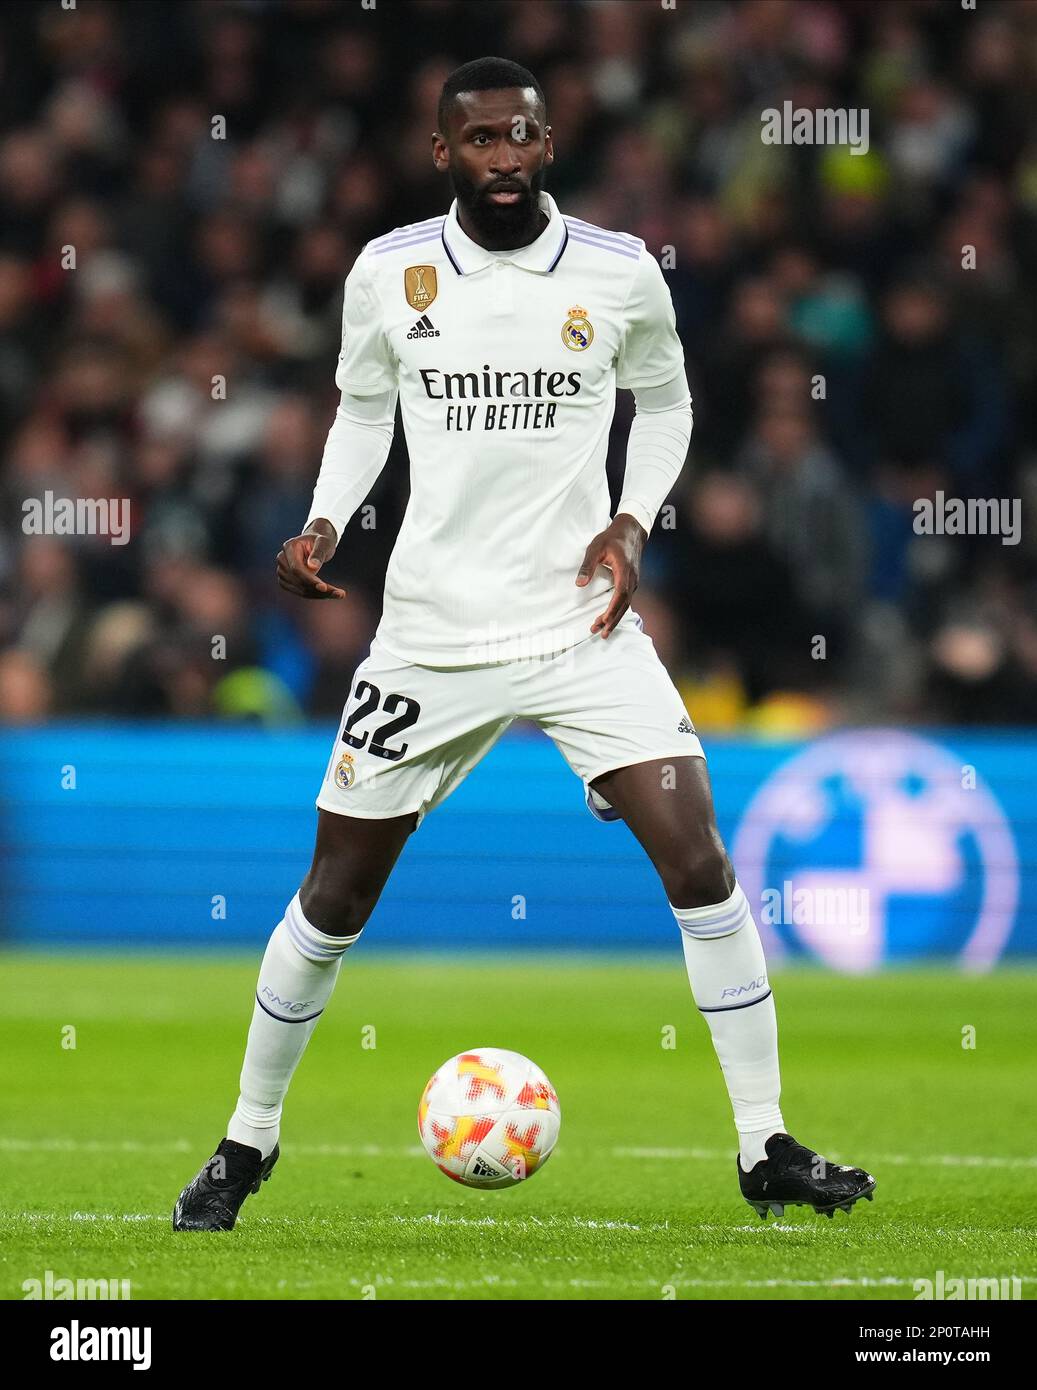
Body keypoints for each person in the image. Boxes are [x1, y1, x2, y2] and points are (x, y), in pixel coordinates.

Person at [173, 57, 874, 1230]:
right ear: (440, 153)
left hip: (577, 624)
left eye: (522, 135)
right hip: (430, 636)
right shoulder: (387, 271)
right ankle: (245, 1145)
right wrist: (323, 519)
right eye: (479, 139)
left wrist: (629, 523)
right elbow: (360, 410)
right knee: (335, 894)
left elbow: (669, 404)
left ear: (549, 144)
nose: (503, 156)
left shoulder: (616, 272)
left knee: (697, 858)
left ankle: (764, 1145)